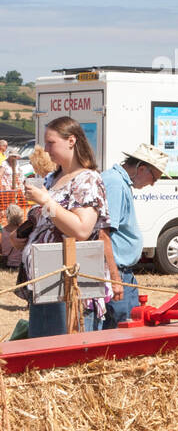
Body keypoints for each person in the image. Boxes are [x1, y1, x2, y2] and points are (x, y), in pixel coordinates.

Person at [20, 117, 110, 336]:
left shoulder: (88, 179)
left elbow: (81, 230)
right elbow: (53, 220)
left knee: (63, 356)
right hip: (45, 284)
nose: (46, 149)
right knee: (41, 358)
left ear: (71, 141)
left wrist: (45, 202)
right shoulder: (53, 178)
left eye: (51, 143)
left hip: (71, 288)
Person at [102, 142, 168, 329]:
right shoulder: (115, 184)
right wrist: (115, 278)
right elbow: (104, 234)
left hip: (121, 272)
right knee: (121, 330)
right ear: (142, 168)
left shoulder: (117, 181)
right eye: (154, 177)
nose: (153, 184)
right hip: (116, 272)